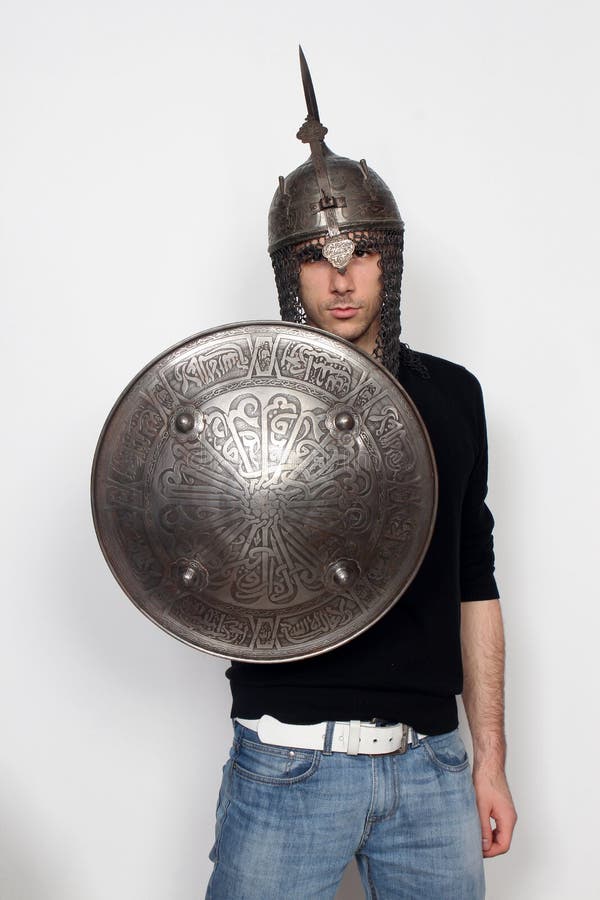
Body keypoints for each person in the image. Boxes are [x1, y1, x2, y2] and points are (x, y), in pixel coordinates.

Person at [206, 50, 516, 900]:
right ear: (290, 271)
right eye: (316, 256)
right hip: (289, 763)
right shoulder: (246, 410)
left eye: (363, 252)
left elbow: (474, 582)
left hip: (433, 767)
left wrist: (488, 760)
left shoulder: (454, 396)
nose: (342, 277)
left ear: (391, 260)